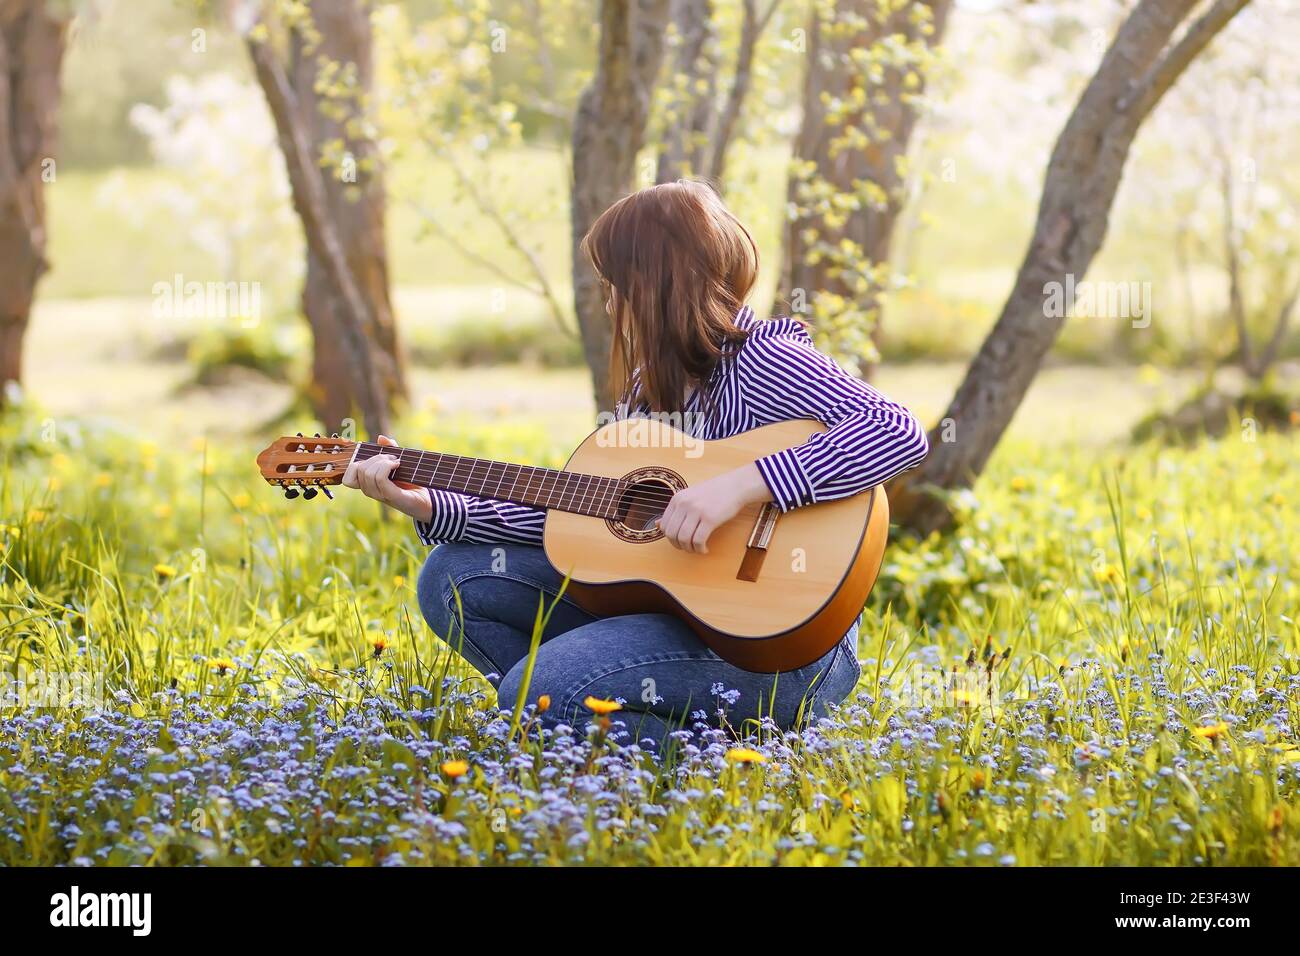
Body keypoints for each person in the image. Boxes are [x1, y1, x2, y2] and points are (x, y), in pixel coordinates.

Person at [344, 179, 928, 749]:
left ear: (654, 286)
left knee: (543, 691)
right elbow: (585, 524)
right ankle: (576, 721)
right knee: (453, 577)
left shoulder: (766, 358)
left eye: (614, 285)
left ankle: (714, 752)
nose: (608, 304)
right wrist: (428, 502)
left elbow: (898, 431)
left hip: (783, 649)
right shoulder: (653, 395)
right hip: (685, 617)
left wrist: (738, 488)